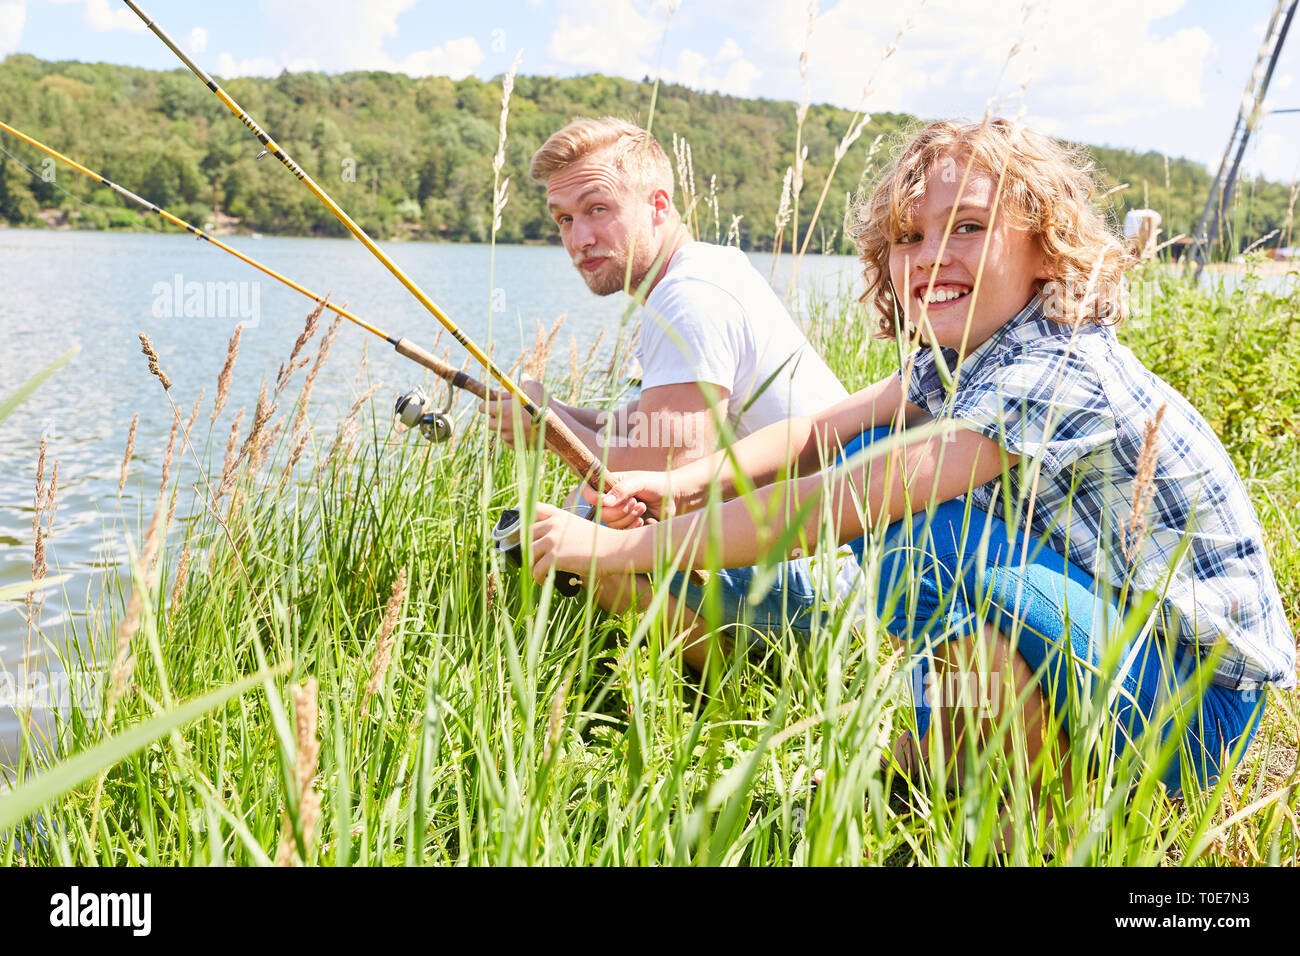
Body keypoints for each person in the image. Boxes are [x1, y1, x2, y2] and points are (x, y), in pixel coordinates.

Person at [524, 118, 1296, 799]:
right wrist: (671, 479)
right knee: (880, 472)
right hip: (1119, 650)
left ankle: (1040, 805)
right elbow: (816, 432)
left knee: (915, 535)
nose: (929, 257)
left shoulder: (1052, 365)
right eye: (907, 237)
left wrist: (618, 545)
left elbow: (831, 505)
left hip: (1191, 712)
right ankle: (950, 752)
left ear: (1044, 243)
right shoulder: (967, 350)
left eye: (966, 227)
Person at [481, 117, 853, 666]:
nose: (578, 238)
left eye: (597, 209)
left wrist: (544, 438)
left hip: (838, 579)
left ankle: (729, 692)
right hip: (819, 549)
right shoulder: (697, 272)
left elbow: (662, 477)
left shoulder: (690, 299)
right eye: (564, 219)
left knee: (591, 547)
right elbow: (644, 425)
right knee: (580, 524)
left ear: (658, 204)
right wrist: (552, 412)